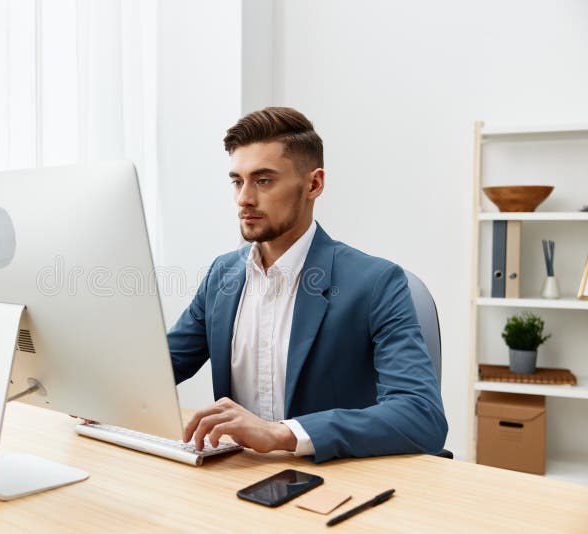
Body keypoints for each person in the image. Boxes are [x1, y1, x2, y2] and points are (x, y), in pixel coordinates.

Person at [168, 107, 447, 463]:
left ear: (313, 184)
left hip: (328, 486)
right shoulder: (222, 276)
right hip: (237, 476)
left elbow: (421, 416)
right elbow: (163, 366)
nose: (244, 199)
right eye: (237, 181)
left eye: (263, 180)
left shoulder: (377, 283)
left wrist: (281, 433)